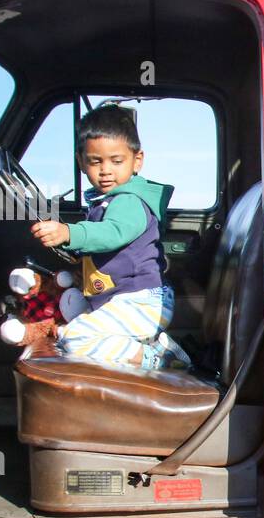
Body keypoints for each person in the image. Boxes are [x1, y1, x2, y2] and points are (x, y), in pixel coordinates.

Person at [28, 104, 192, 371]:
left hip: (141, 302)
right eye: (95, 161)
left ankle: (157, 359)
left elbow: (113, 233)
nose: (106, 170)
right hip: (125, 300)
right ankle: (155, 347)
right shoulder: (104, 201)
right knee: (71, 313)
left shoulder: (129, 200)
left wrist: (69, 232)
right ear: (81, 161)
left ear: (136, 160)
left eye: (116, 161)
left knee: (75, 337)